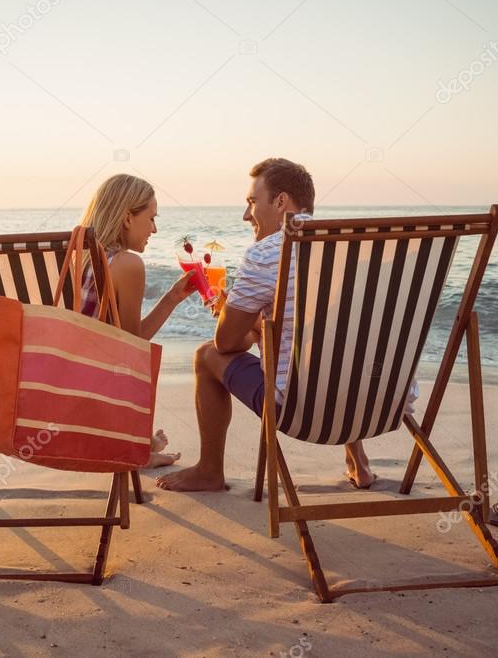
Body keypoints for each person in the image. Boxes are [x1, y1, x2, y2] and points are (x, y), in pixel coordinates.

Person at [156, 158, 383, 491]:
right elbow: (339, 331)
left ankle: (209, 471)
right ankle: (358, 461)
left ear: (281, 202)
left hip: (303, 408)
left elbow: (227, 345)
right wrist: (262, 325)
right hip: (381, 400)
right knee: (337, 342)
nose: (246, 215)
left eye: (251, 202)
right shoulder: (356, 247)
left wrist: (239, 320)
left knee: (206, 356)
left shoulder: (265, 254)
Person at [77, 173, 197, 468]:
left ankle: (137, 439)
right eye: (152, 218)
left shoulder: (75, 258)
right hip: (95, 395)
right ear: (128, 218)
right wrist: (170, 299)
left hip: (59, 386)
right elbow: (132, 345)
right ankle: (133, 444)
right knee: (130, 358)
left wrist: (172, 296)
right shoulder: (126, 263)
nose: (154, 229)